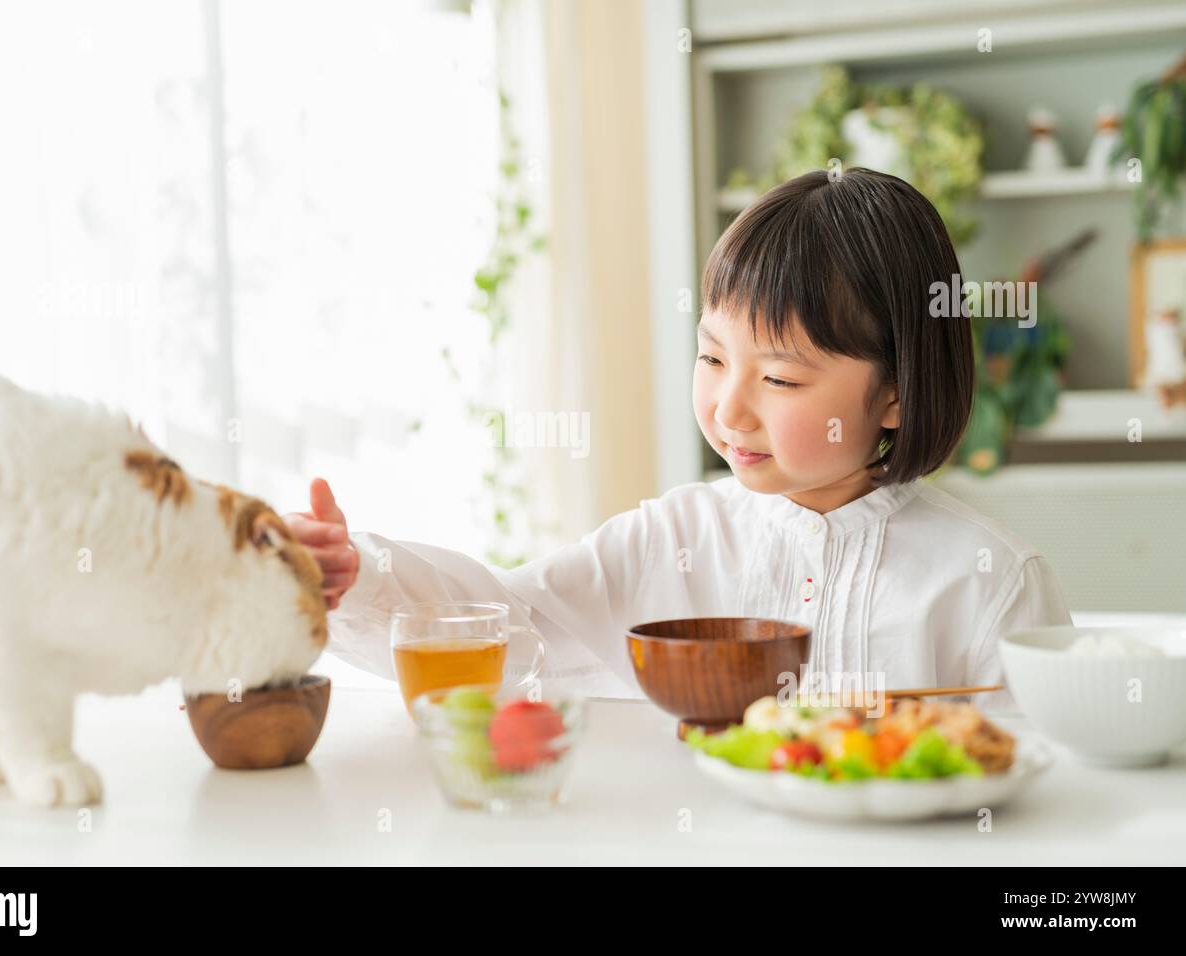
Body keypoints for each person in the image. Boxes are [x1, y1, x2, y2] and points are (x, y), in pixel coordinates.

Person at [284, 167, 1072, 711]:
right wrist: (361, 576)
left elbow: (1046, 796)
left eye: (780, 380)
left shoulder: (986, 581)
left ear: (895, 392)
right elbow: (503, 625)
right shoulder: (673, 539)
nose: (729, 410)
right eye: (711, 357)